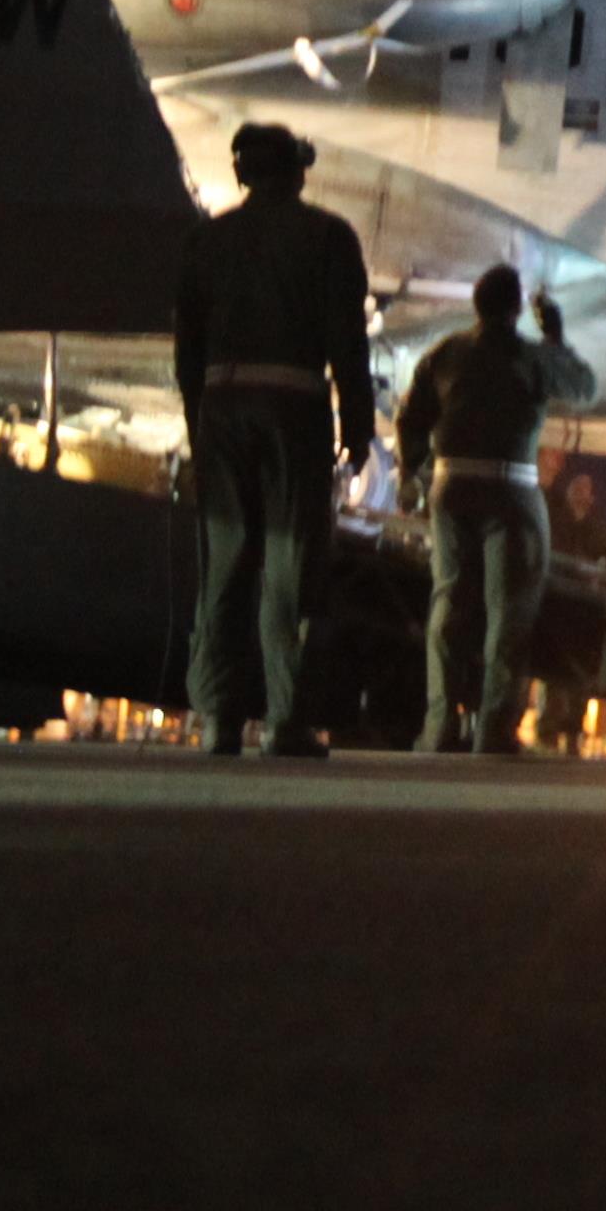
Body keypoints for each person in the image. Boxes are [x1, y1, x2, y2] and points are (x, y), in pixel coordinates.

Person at [172, 121, 376, 757]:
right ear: (296, 171)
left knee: (224, 566)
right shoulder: (329, 237)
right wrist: (359, 424)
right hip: (295, 410)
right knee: (290, 567)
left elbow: (188, 350)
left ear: (241, 174)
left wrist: (197, 422)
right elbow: (348, 341)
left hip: (222, 408)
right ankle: (285, 719)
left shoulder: (205, 241)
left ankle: (218, 720)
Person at [392, 264, 596, 754]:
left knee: (449, 605)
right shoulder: (531, 357)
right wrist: (556, 336)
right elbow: (584, 388)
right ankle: (495, 731)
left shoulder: (445, 354)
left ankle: (440, 725)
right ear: (517, 308)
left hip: (453, 486)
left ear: (477, 305)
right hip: (512, 492)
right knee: (510, 615)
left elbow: (410, 419)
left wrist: (415, 475)